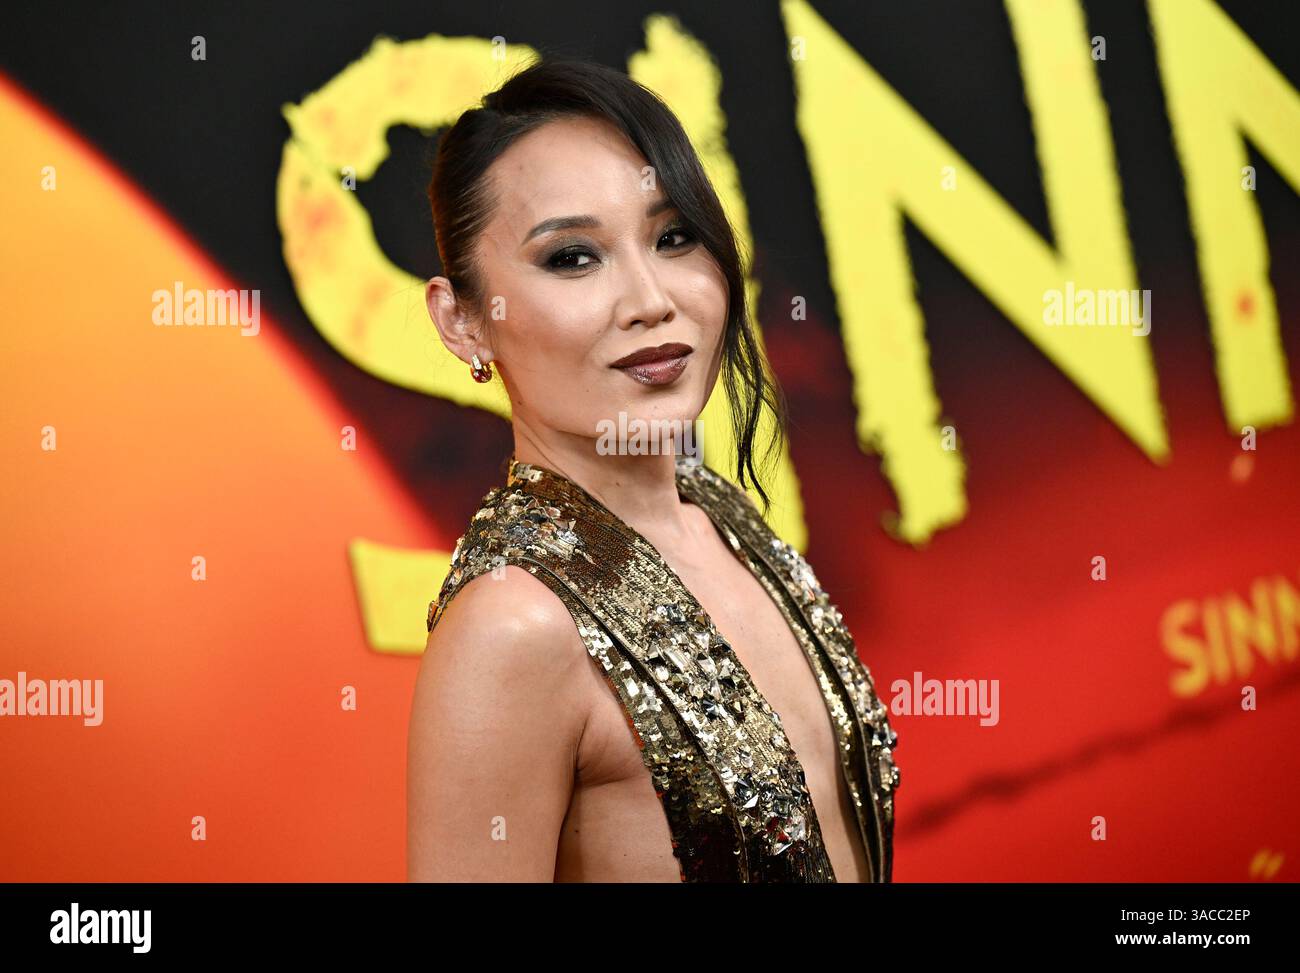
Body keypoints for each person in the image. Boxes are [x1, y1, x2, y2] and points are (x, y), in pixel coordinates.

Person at [407, 57, 898, 883]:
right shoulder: (514, 629)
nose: (649, 299)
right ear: (464, 324)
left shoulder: (722, 516)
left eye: (673, 238)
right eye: (571, 257)